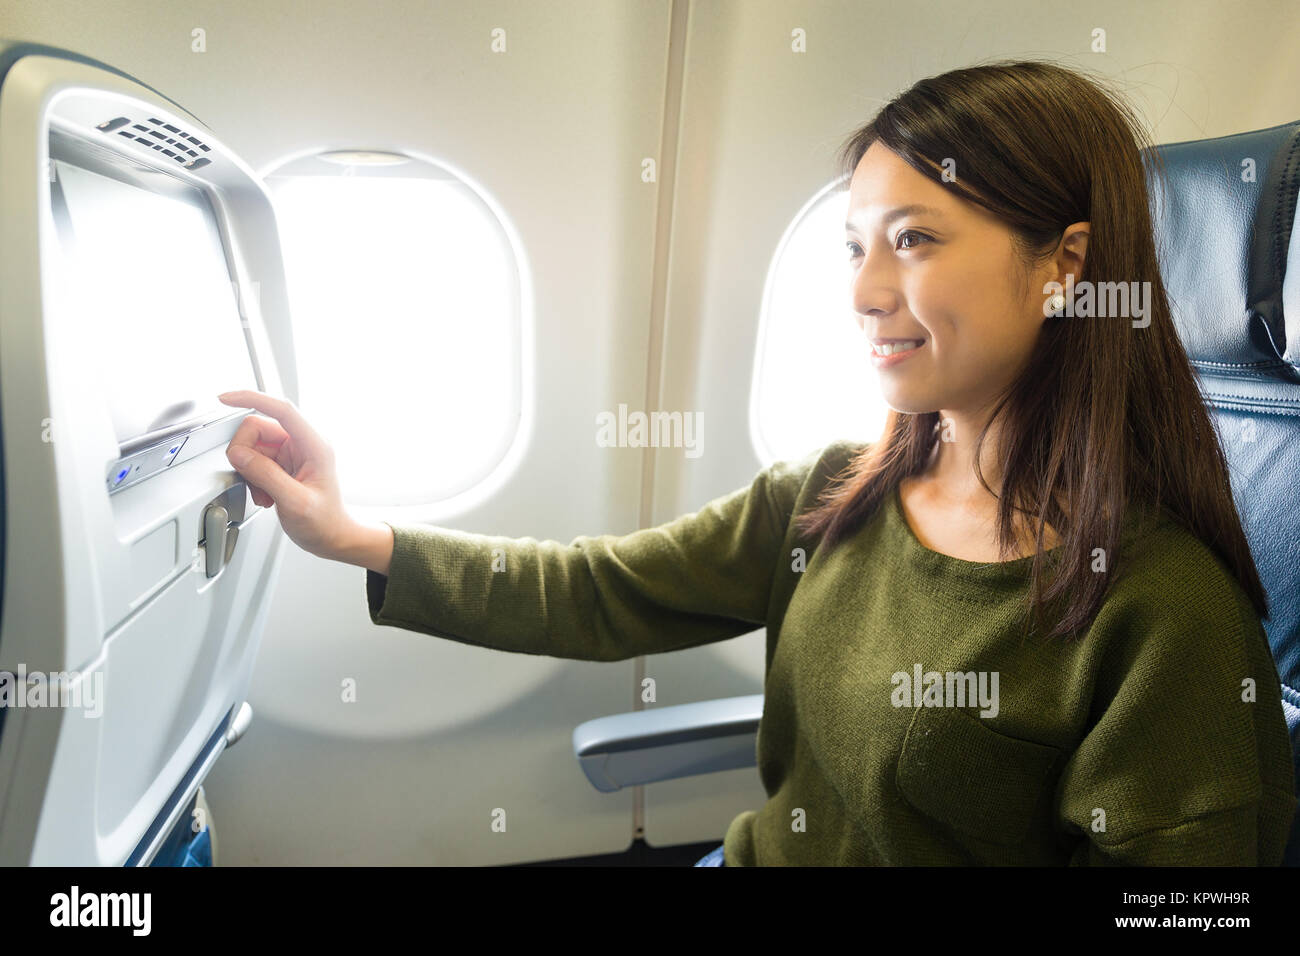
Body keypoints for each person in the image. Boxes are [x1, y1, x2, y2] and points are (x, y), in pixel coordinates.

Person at [217, 58, 1297, 865]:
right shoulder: (834, 494)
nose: (864, 290)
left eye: (913, 239)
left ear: (1065, 265)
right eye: (851, 244)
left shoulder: (1160, 616)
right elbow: (600, 588)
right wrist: (352, 532)